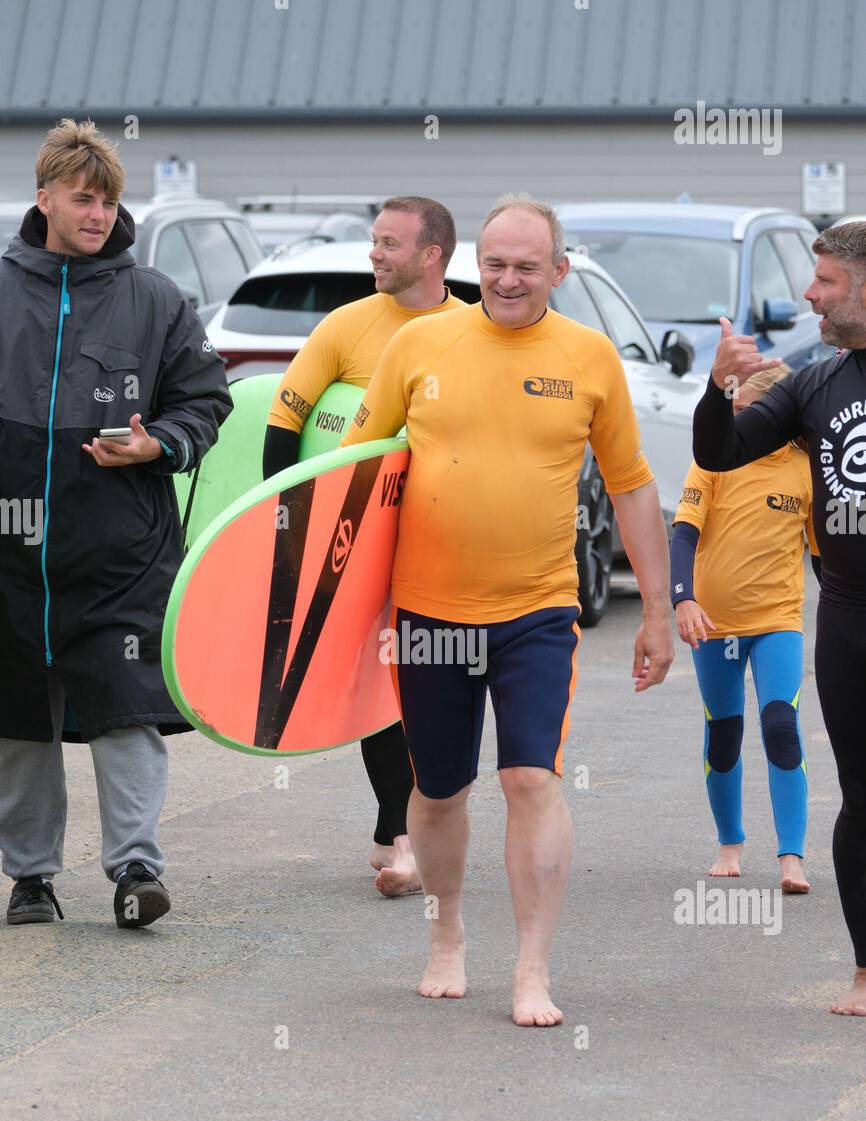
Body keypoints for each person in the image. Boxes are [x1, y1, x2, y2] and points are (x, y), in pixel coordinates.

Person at [341, 194, 673, 1026]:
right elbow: (355, 478)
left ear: (559, 270)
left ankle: (532, 969)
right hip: (428, 614)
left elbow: (632, 488)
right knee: (440, 789)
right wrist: (335, 611)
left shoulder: (590, 358)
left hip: (536, 611)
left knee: (530, 778)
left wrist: (660, 615)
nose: (508, 279)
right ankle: (447, 931)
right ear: (471, 263)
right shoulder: (419, 343)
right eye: (495, 263)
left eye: (528, 266)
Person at [0, 119, 232, 929]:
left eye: (108, 202)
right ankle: (30, 879)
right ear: (45, 199)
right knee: (19, 720)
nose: (97, 214)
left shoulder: (155, 299)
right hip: (11, 559)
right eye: (82, 199)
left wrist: (158, 443)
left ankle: (136, 869)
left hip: (122, 551)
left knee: (126, 711)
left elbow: (206, 401)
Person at [264, 196, 463, 898]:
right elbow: (282, 425)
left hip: (445, 537)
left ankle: (394, 829)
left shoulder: (470, 329)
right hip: (356, 535)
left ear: (431, 254)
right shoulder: (346, 325)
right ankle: (403, 835)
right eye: (373, 241)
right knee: (383, 679)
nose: (373, 254)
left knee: (430, 683)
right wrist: (294, 532)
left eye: (388, 243)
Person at [692, 220, 866, 1016]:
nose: (808, 293)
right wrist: (716, 387)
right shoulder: (814, 382)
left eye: (825, 280)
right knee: (861, 800)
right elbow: (722, 452)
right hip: (848, 615)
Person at [672, 363, 817, 891]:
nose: (740, 423)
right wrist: (682, 600)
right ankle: (730, 842)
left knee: (781, 726)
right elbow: (683, 535)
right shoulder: (714, 460)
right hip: (715, 624)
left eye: (751, 413)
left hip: (778, 619)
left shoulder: (805, 467)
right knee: (725, 732)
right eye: (736, 413)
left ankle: (791, 856)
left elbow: (826, 558)